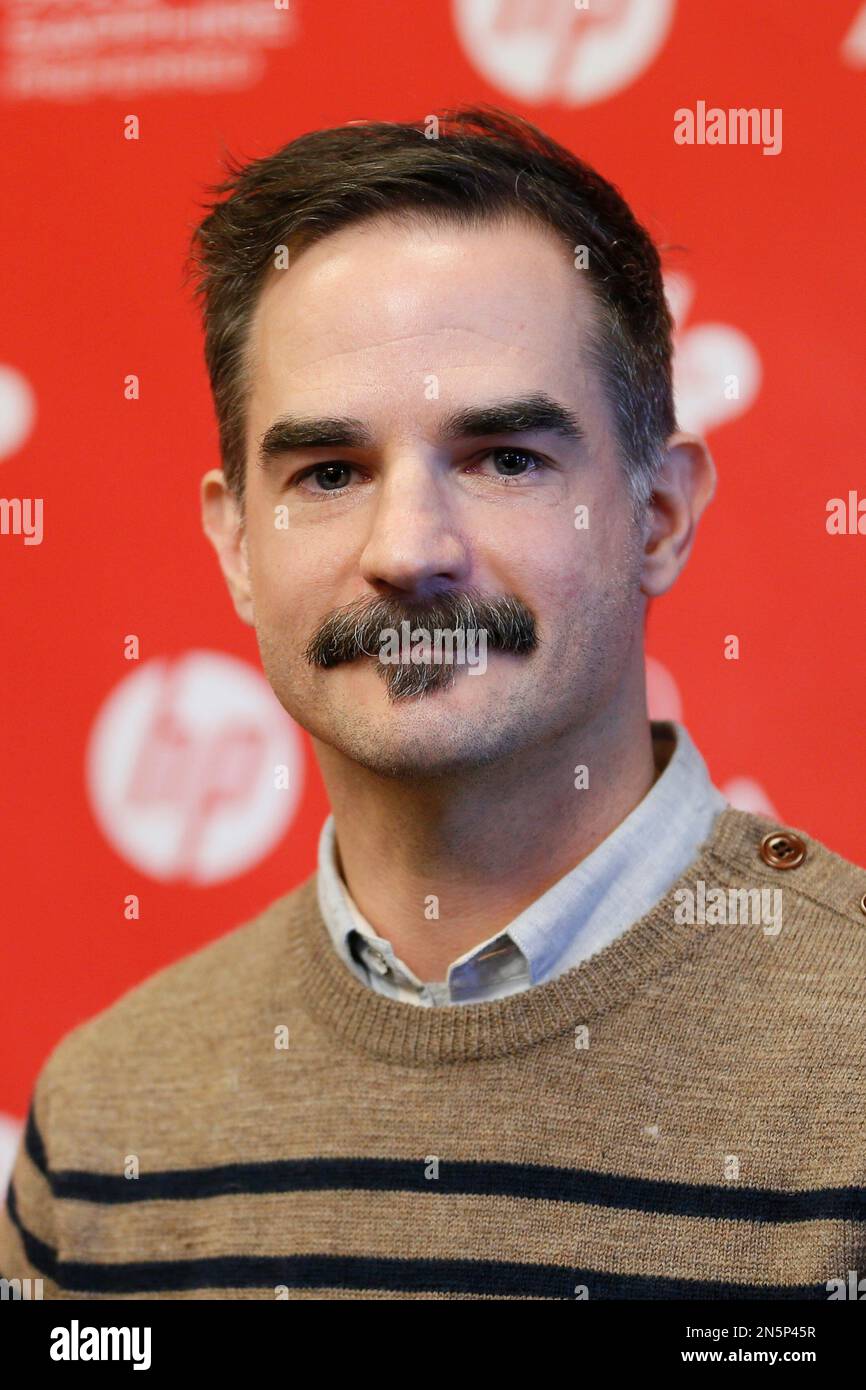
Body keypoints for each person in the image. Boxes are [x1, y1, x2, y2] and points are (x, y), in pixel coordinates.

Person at [2, 107, 864, 1301]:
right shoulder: (107, 1128)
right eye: (331, 472)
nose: (409, 549)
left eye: (503, 457)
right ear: (238, 543)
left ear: (657, 513)